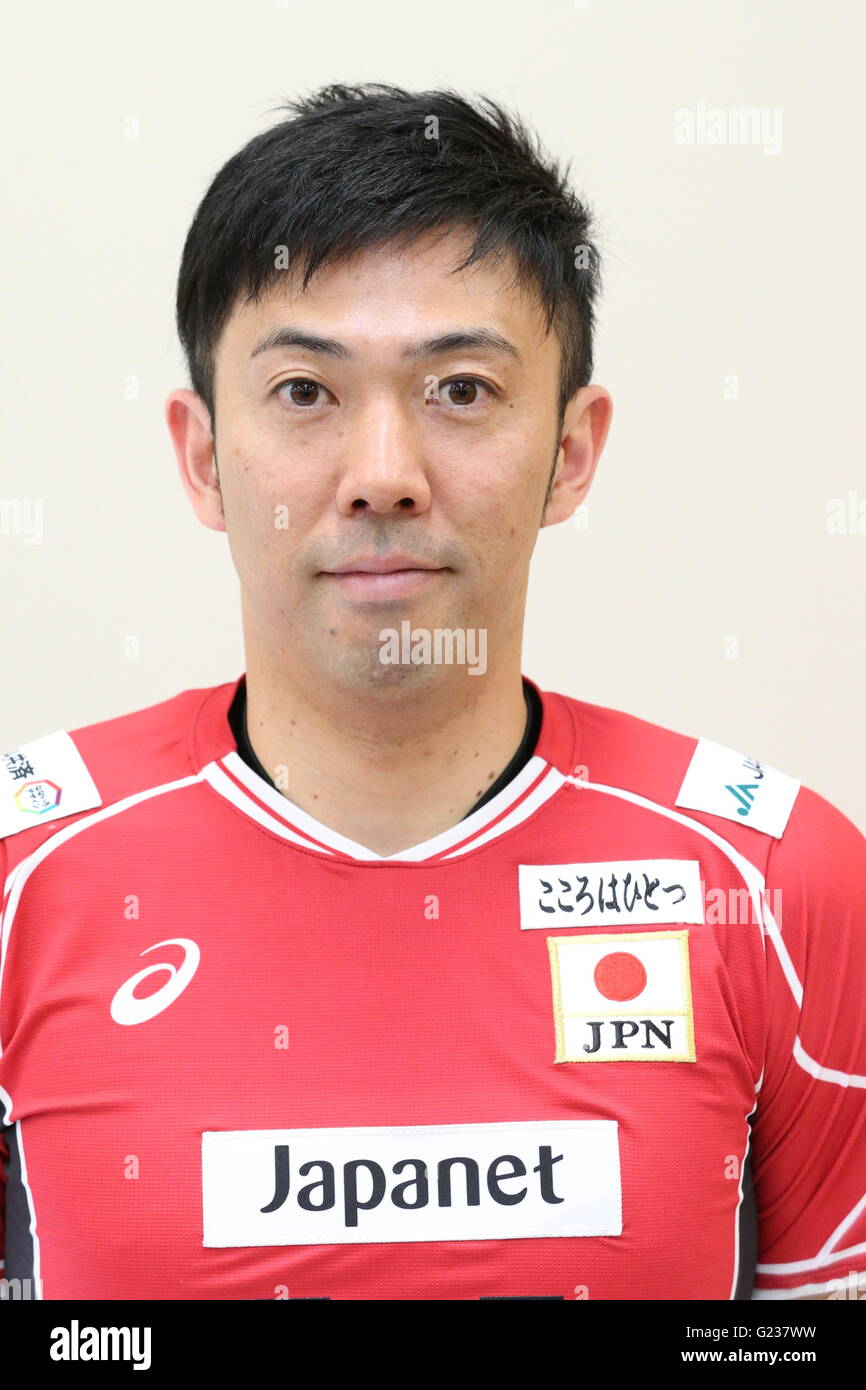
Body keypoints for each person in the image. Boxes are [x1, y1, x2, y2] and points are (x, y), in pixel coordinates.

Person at [1, 82, 863, 1302]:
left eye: (460, 389)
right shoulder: (20, 873)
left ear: (571, 451)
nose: (384, 476)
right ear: (201, 455)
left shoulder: (779, 886)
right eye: (306, 391)